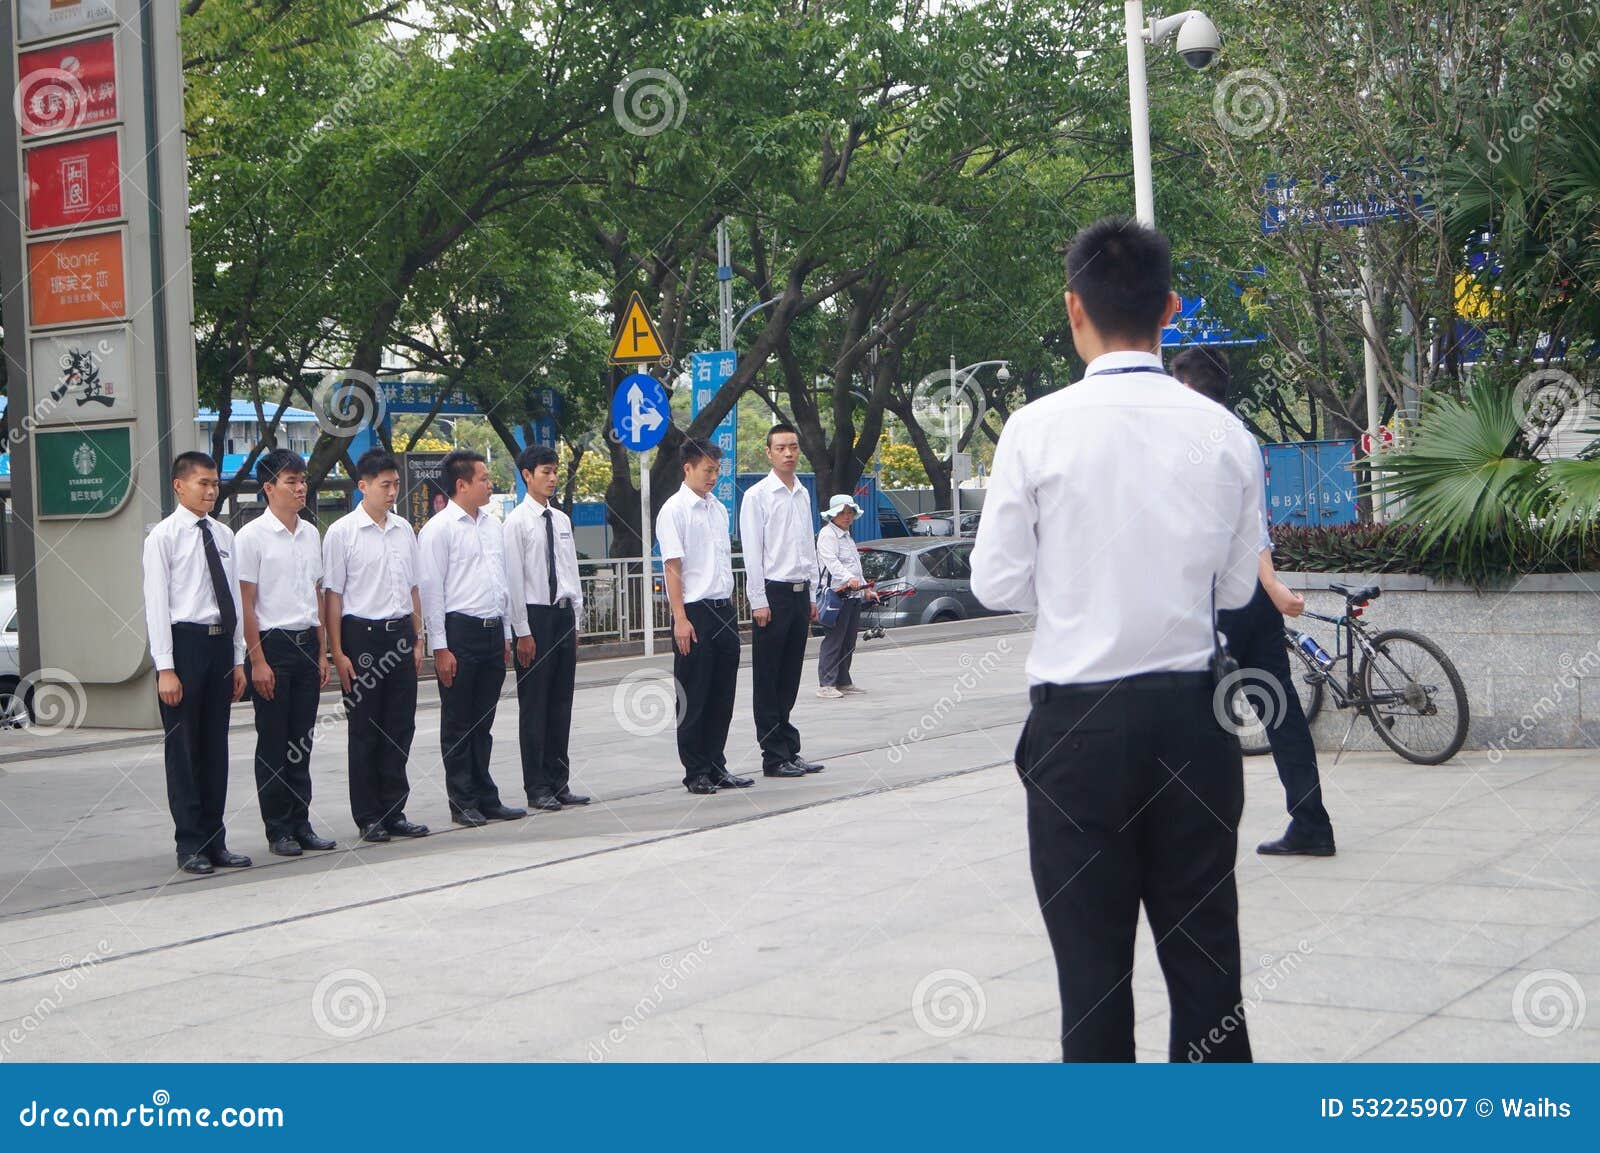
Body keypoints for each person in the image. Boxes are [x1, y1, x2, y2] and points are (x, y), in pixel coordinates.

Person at [971, 217, 1265, 1063]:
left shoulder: (1035, 428)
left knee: (1092, 980)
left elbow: (994, 582)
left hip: (1080, 731)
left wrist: (1070, 588)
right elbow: (1239, 588)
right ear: (1170, 307)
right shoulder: (1225, 433)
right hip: (1194, 721)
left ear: (1074, 308)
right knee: (1209, 966)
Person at [1171, 346, 1336, 857]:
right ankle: (1311, 824)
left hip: (1209, 606)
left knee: (1191, 720)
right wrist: (1273, 586)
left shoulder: (1179, 443)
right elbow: (1253, 529)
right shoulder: (1242, 439)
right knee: (1281, 711)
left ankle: (1194, 839)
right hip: (1252, 603)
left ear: (1190, 386)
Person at [142, 451, 250, 875]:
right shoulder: (163, 538)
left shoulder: (224, 535)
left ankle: (214, 839)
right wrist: (165, 667)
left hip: (220, 645)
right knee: (184, 751)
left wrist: (238, 658)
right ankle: (189, 844)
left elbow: (235, 602)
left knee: (215, 749)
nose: (210, 491)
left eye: (215, 484)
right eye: (202, 483)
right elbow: (156, 605)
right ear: (179, 486)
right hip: (183, 646)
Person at [322, 449, 431, 844]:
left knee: (400, 726)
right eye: (384, 485)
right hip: (362, 637)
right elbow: (332, 596)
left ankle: (394, 809)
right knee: (366, 728)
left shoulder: (404, 529)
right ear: (362, 486)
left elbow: (414, 588)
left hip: (400, 633)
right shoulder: (342, 533)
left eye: (395, 484)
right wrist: (337, 652)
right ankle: (368, 815)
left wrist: (417, 638)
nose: (392, 492)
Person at [236, 449, 337, 858]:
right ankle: (277, 828)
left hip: (305, 643)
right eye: (290, 481)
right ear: (267, 488)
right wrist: (257, 660)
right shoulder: (251, 537)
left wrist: (323, 651)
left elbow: (315, 592)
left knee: (302, 740)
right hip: (271, 645)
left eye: (302, 481)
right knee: (274, 742)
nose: (300, 489)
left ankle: (301, 821)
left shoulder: (310, 533)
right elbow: (246, 603)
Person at [418, 450, 525, 828]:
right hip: (459, 632)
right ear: (461, 484)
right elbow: (432, 593)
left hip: (492, 631)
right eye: (483, 477)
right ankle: (462, 800)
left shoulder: (493, 525)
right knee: (459, 723)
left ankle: (485, 795)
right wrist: (441, 647)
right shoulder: (439, 530)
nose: (489, 482)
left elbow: (503, 584)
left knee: (484, 721)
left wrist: (508, 632)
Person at [658, 439, 751, 795]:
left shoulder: (717, 509)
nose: (713, 476)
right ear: (688, 468)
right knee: (694, 694)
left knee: (721, 692)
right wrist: (679, 617)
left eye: (717, 470)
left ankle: (716, 763)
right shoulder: (674, 510)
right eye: (707, 470)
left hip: (722, 609)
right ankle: (695, 769)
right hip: (694, 612)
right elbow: (673, 567)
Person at [504, 445, 590, 812]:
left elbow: (570, 571)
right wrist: (521, 630)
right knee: (535, 705)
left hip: (561, 614)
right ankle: (536, 785)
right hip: (534, 617)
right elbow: (513, 580)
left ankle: (559, 780)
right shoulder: (516, 523)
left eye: (555, 472)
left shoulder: (561, 520)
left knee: (560, 702)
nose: (552, 479)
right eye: (545, 472)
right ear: (527, 475)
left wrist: (577, 616)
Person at [738, 423, 825, 778]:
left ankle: (789, 747)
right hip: (772, 594)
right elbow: (752, 552)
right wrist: (758, 599)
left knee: (790, 675)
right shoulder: (757, 496)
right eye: (781, 447)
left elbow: (808, 544)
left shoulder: (803, 493)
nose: (789, 453)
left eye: (793, 446)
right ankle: (772, 754)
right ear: (769, 453)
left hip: (799, 592)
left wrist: (814, 593)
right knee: (768, 676)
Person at [814, 493, 878, 699]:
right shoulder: (827, 535)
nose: (847, 516)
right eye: (842, 512)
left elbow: (855, 567)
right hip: (836, 594)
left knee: (849, 640)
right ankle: (826, 683)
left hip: (852, 595)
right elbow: (832, 562)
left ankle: (843, 681)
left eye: (850, 512)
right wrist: (849, 578)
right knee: (834, 640)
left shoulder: (847, 536)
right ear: (832, 515)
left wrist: (866, 588)